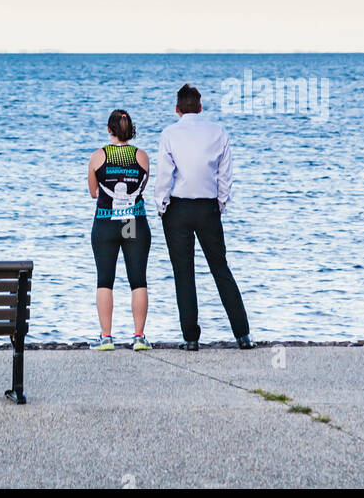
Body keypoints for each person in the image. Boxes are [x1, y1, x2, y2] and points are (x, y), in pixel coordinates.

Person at [155, 83, 252, 350]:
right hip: (208, 208)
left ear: (177, 109)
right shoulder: (218, 132)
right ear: (200, 107)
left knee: (183, 274)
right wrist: (220, 203)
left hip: (177, 209)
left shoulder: (169, 134)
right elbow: (225, 175)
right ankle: (242, 335)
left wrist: (161, 204)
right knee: (221, 269)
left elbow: (165, 175)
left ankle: (190, 339)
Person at [88, 109, 152, 350]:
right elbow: (142, 187)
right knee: (138, 280)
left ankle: (106, 337)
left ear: (109, 130)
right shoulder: (142, 157)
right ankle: (138, 336)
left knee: (105, 280)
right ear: (130, 129)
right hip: (132, 222)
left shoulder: (98, 157)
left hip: (106, 222)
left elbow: (93, 192)